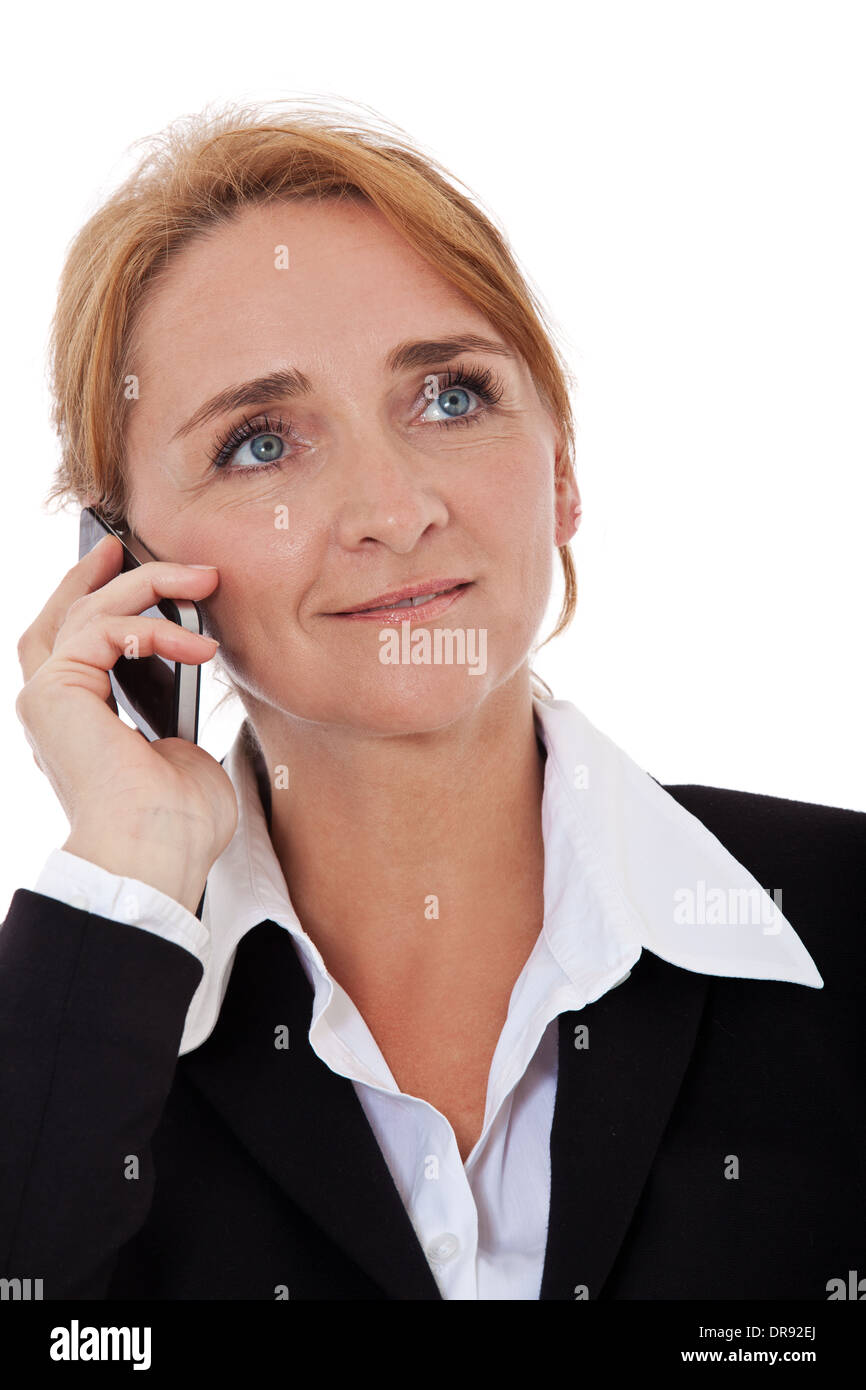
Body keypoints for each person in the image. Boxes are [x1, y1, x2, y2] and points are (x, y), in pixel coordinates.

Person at [2, 101, 863, 1302]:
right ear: (119, 558)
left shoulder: (841, 917)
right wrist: (131, 862)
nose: (393, 509)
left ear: (560, 471)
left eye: (448, 396)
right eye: (261, 443)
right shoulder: (82, 1024)